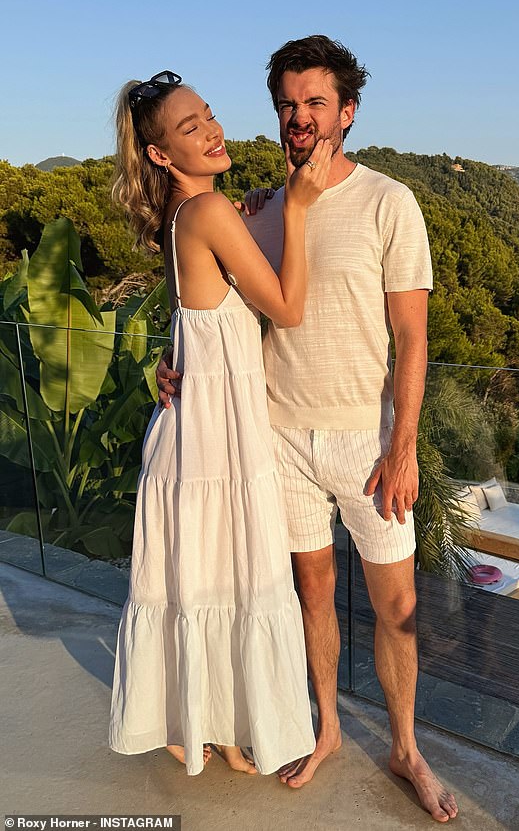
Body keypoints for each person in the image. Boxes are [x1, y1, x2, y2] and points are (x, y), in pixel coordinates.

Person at [158, 36, 459, 823]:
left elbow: (414, 337)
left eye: (316, 102)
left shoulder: (390, 202)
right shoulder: (255, 210)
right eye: (288, 103)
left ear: (347, 112)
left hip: (367, 442)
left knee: (397, 607)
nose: (300, 117)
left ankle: (405, 747)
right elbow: (213, 305)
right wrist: (169, 359)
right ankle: (327, 728)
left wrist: (403, 447)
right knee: (313, 595)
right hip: (279, 436)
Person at [108, 70, 332, 777]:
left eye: (207, 115)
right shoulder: (206, 212)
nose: (211, 130)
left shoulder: (190, 213)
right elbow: (287, 308)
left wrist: (252, 208)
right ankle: (216, 728)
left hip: (201, 428)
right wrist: (297, 208)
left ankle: (212, 726)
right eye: (189, 127)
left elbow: (196, 322)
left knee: (209, 580)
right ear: (160, 154)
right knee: (228, 578)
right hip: (215, 436)